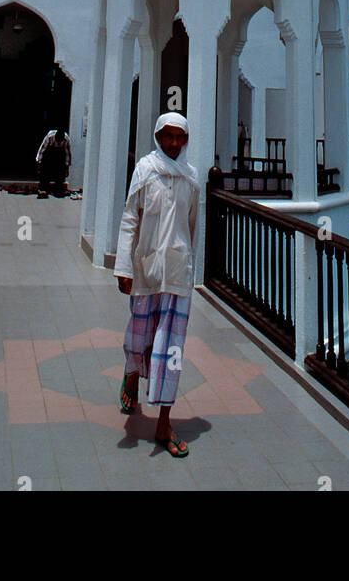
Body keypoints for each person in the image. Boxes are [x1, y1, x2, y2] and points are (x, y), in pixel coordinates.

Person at [114, 112, 199, 458]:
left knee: (171, 350)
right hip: (146, 270)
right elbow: (129, 218)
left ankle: (164, 422)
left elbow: (192, 225)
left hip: (178, 274)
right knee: (139, 337)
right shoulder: (145, 171)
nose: (174, 143)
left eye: (180, 137)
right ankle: (132, 373)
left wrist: (189, 265)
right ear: (158, 136)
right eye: (168, 136)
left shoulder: (191, 178)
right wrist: (124, 266)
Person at [36, 125, 71, 196]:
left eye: (60, 141)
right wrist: (39, 163)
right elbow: (42, 149)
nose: (58, 143)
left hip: (60, 157)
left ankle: (58, 190)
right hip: (49, 155)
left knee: (60, 174)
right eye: (57, 140)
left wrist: (67, 168)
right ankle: (44, 189)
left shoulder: (66, 139)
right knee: (45, 172)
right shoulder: (50, 136)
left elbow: (68, 153)